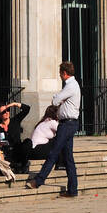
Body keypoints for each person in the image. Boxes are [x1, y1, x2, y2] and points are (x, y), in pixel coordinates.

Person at [26, 60, 80, 197]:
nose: (60, 76)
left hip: (66, 124)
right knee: (68, 157)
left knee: (54, 153)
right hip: (70, 123)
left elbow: (55, 101)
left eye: (60, 74)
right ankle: (72, 190)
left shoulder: (70, 86)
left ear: (64, 73)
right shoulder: (73, 85)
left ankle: (38, 181)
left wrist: (57, 98)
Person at [0, 101, 32, 173]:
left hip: (18, 150)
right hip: (7, 154)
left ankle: (24, 164)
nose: (7, 112)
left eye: (7, 110)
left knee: (28, 142)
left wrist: (14, 104)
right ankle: (17, 166)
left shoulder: (15, 120)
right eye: (3, 112)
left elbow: (27, 109)